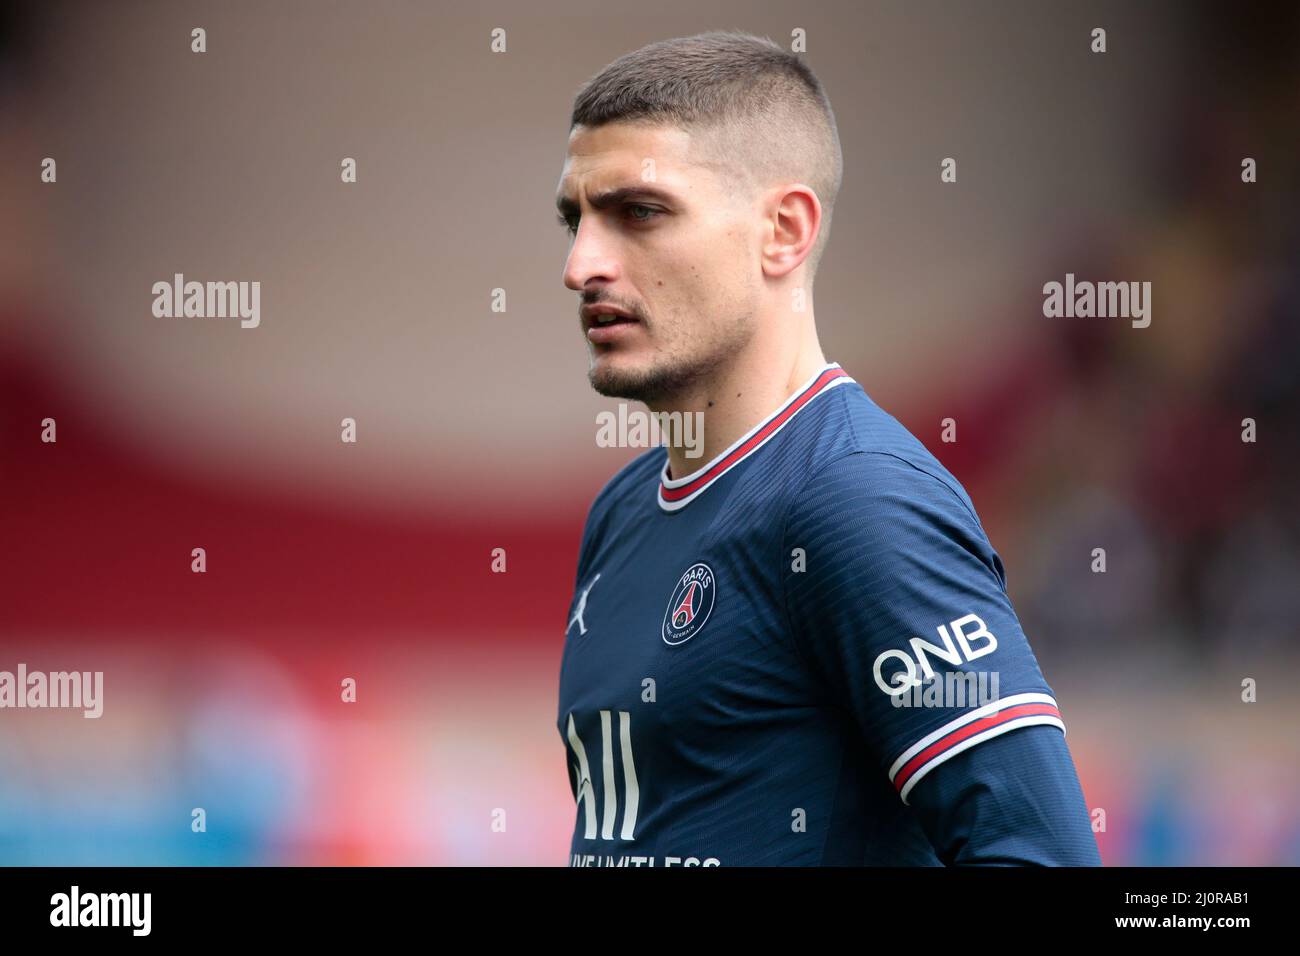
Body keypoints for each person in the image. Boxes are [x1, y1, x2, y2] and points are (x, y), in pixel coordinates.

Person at [553, 30, 1100, 866]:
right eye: (575, 220)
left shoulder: (855, 502)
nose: (582, 263)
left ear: (784, 230)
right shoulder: (622, 509)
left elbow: (1040, 853)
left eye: (639, 213)